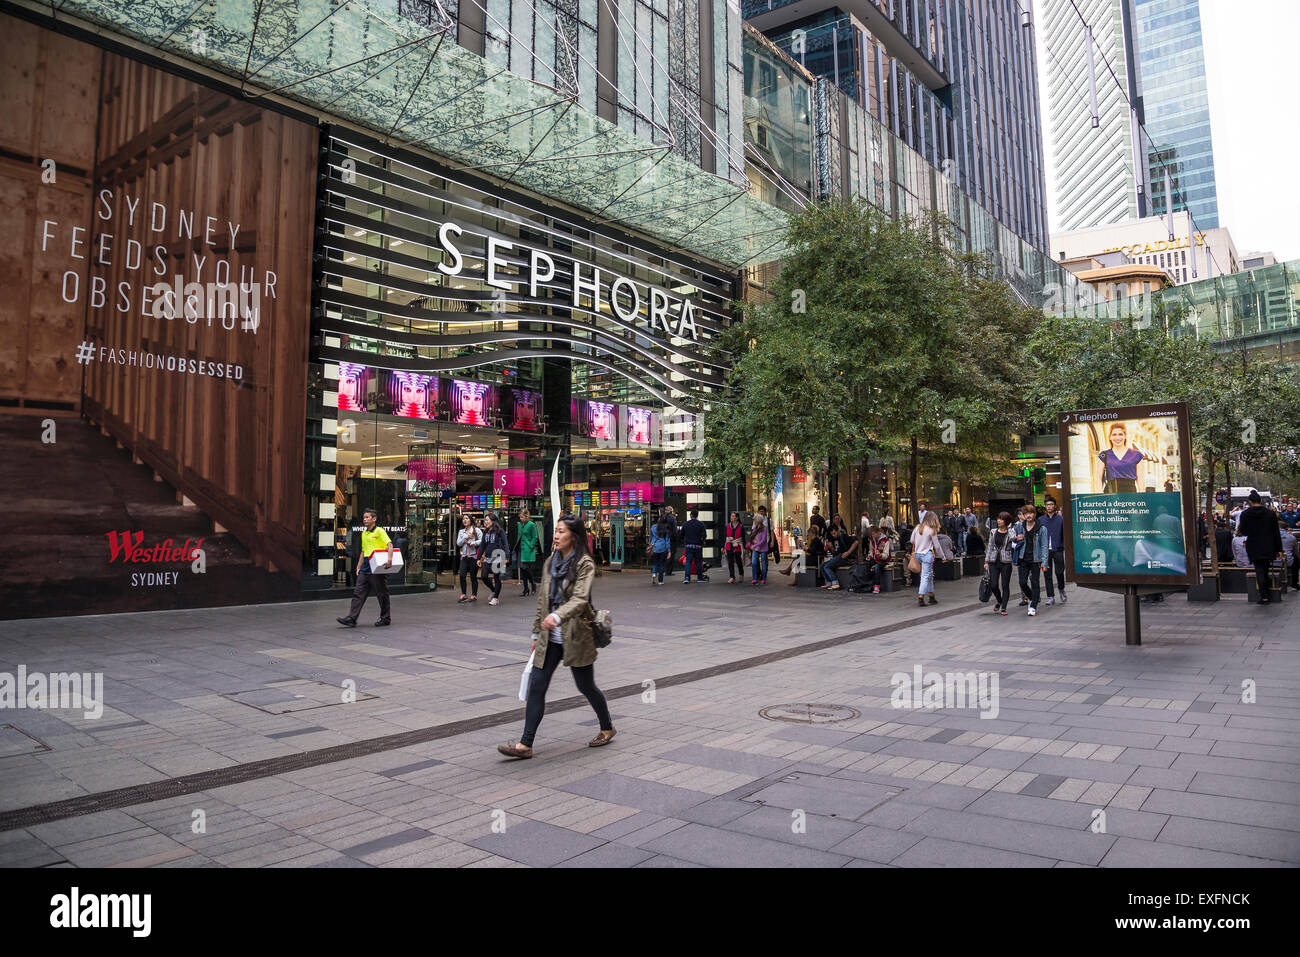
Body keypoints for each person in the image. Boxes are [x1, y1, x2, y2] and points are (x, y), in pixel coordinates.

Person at [497, 514, 614, 759]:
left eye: (562, 531)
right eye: (556, 531)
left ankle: (607, 727)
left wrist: (558, 617)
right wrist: (535, 632)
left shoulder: (585, 564)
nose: (556, 535)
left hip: (576, 635)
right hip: (549, 637)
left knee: (586, 686)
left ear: (574, 535)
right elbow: (543, 601)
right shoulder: (550, 561)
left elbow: (581, 599)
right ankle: (525, 744)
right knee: (537, 686)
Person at [337, 507, 394, 627]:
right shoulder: (364, 533)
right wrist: (358, 566)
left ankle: (385, 618)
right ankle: (352, 618)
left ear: (374, 519)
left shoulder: (379, 531)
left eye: (367, 517)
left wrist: (389, 559)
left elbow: (390, 544)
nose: (365, 519)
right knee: (358, 592)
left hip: (377, 565)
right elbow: (363, 551)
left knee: (381, 593)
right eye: (364, 517)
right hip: (366, 566)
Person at [1237, 491, 1284, 603]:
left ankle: (1264, 596)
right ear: (1261, 501)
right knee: (1265, 569)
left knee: (1259, 570)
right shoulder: (1270, 514)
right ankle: (1266, 593)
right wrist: (1279, 549)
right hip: (1268, 545)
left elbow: (1243, 531)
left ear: (1250, 502)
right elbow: (1276, 532)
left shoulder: (1245, 514)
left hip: (1254, 545)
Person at [1013, 505, 1047, 616]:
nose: (1028, 515)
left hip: (1035, 559)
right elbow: (1012, 538)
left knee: (1035, 582)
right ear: (1023, 515)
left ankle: (1033, 606)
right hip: (1023, 558)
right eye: (1026, 513)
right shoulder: (1020, 527)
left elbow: (1044, 546)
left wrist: (1044, 562)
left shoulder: (1041, 528)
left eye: (1030, 513)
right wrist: (1016, 539)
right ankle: (1033, 598)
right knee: (1022, 582)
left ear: (1034, 514)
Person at [1094, 422, 1147, 494]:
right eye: (1114, 434)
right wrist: (1101, 496)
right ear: (1110, 437)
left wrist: (1142, 496)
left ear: (1125, 436)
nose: (1117, 438)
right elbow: (1098, 478)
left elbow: (1140, 478)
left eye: (1120, 434)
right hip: (1110, 494)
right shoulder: (1104, 455)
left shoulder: (1137, 454)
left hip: (1130, 495)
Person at [910, 512, 948, 606]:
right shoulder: (932, 530)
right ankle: (921, 597)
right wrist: (943, 557)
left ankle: (932, 596)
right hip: (927, 554)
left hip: (918, 554)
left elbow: (911, 540)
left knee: (929, 575)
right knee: (925, 576)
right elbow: (937, 546)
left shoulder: (917, 527)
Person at [984, 511, 1015, 616]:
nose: (998, 521)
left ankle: (1004, 607)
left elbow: (1014, 538)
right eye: (998, 518)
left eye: (1001, 519)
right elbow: (989, 546)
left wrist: (1009, 529)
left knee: (1005, 585)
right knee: (993, 585)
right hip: (993, 561)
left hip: (1006, 562)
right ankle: (1000, 600)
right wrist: (986, 561)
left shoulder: (1011, 532)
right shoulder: (993, 531)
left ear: (1006, 521)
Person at [477, 511, 509, 606]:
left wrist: (507, 556)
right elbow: (482, 545)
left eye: (487, 520)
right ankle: (494, 590)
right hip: (487, 558)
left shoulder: (500, 531)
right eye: (485, 520)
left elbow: (506, 543)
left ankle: (495, 598)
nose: (485, 522)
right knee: (484, 576)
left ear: (493, 521)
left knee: (496, 577)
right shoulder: (485, 532)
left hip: (498, 556)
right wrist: (479, 558)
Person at [1041, 496, 1067, 605]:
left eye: (1051, 504)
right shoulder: (1041, 520)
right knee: (1047, 574)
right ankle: (1050, 596)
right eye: (1047, 505)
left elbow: (1065, 534)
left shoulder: (1060, 519)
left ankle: (1061, 589)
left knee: (1059, 572)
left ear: (1054, 506)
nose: (1049, 506)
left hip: (1058, 549)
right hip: (1045, 551)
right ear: (1045, 507)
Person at [456, 514, 482, 603]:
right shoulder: (461, 532)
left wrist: (473, 543)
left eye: (467, 518)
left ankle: (474, 595)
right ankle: (463, 594)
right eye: (463, 519)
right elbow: (458, 543)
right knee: (462, 575)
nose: (465, 520)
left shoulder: (476, 530)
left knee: (473, 577)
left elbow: (482, 541)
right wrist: (466, 537)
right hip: (464, 556)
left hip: (473, 556)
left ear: (470, 520)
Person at [515, 508, 540, 598]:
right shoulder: (520, 524)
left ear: (526, 516)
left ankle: (533, 584)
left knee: (526, 568)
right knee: (522, 570)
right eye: (520, 517)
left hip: (527, 549)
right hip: (520, 549)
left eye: (522, 517)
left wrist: (531, 546)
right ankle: (526, 589)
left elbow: (534, 537)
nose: (520, 519)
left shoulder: (531, 525)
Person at [681, 509, 706, 583]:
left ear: (691, 515)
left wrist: (684, 540)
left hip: (689, 546)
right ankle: (700, 578)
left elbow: (681, 535)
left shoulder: (686, 524)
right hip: (698, 546)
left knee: (688, 562)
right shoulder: (701, 524)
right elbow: (704, 535)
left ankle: (687, 578)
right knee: (698, 562)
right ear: (697, 515)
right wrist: (702, 541)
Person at [820, 525, 848, 591]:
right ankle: (829, 582)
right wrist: (831, 547)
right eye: (832, 534)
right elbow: (834, 553)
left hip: (842, 557)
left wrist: (847, 553)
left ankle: (835, 582)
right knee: (822, 565)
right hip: (837, 557)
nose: (833, 535)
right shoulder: (832, 539)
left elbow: (846, 548)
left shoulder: (842, 537)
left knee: (826, 566)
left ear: (838, 531)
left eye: (834, 533)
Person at [866, 525, 892, 594]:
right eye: (871, 535)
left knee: (877, 567)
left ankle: (877, 586)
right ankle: (867, 585)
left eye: (873, 534)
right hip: (875, 560)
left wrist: (880, 555)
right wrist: (870, 556)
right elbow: (871, 551)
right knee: (866, 564)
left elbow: (886, 555)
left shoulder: (886, 540)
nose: (872, 536)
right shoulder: (872, 540)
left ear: (878, 532)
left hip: (884, 561)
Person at [748, 508, 770, 584]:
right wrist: (753, 543)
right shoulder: (754, 529)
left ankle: (763, 578)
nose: (754, 521)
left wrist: (755, 545)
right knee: (754, 563)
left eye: (755, 520)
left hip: (763, 548)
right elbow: (752, 538)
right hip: (756, 548)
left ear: (758, 521)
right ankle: (754, 578)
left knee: (764, 564)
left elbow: (763, 540)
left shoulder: (764, 528)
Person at [649, 512, 673, 585]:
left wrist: (651, 543)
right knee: (661, 564)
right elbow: (667, 540)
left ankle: (654, 573)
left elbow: (651, 537)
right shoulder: (666, 528)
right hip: (663, 547)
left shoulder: (653, 527)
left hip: (655, 546)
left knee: (655, 562)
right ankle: (660, 581)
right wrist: (669, 550)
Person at [723, 512, 747, 584]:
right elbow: (724, 537)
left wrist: (745, 547)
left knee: (739, 561)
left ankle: (741, 574)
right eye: (731, 516)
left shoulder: (741, 527)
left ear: (737, 518)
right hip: (729, 545)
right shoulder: (727, 526)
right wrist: (722, 547)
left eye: (733, 516)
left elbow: (743, 538)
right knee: (730, 562)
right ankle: (732, 577)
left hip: (738, 545)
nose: (731, 517)